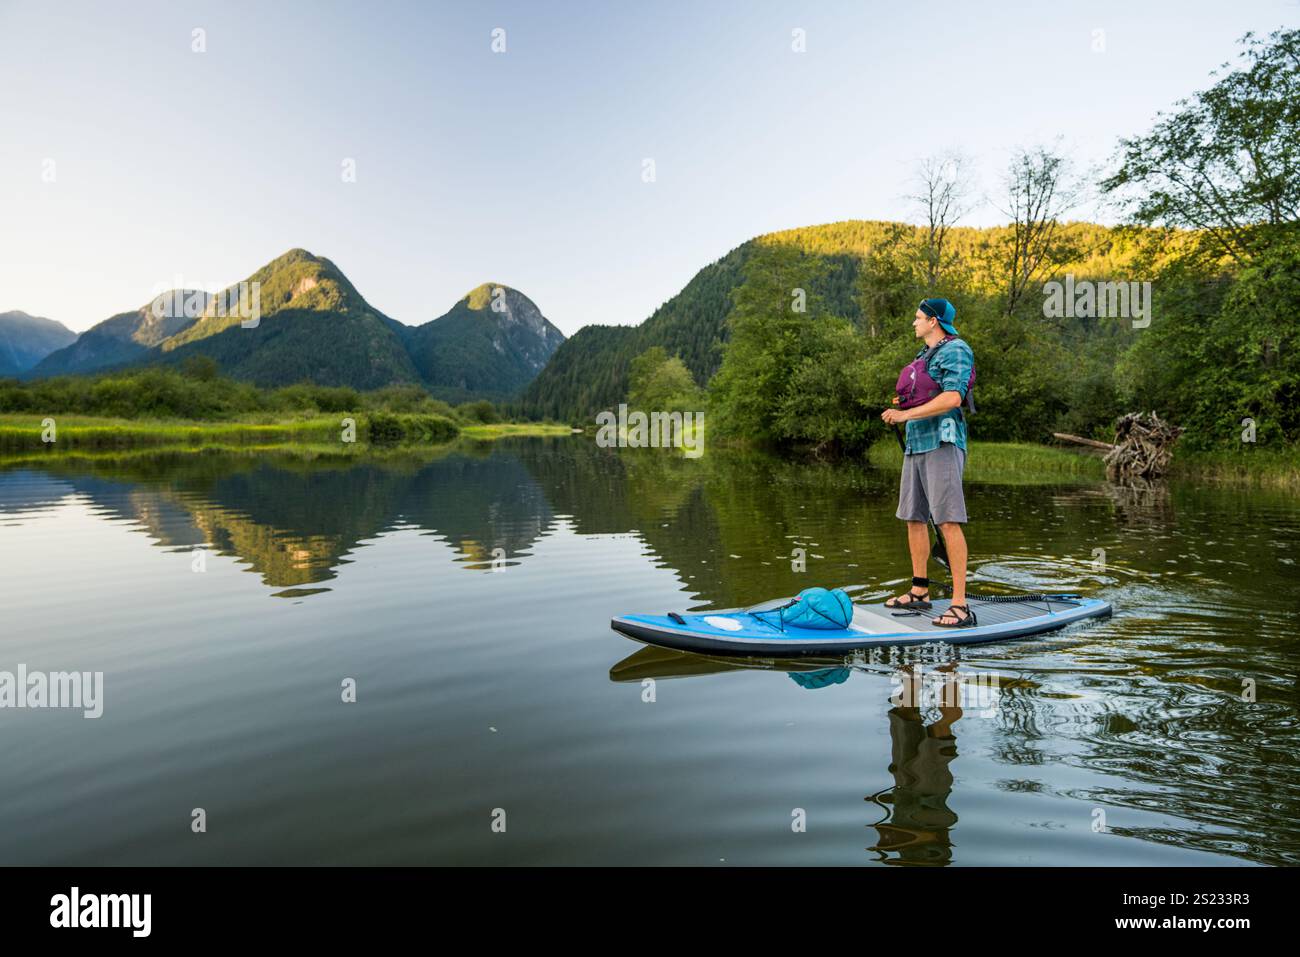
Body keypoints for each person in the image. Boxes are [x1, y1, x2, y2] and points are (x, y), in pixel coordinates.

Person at [880, 298, 976, 627]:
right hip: (916, 444)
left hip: (943, 441)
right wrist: (902, 412)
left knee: (947, 520)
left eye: (918, 317)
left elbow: (953, 397)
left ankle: (960, 605)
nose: (913, 322)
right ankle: (920, 592)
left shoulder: (956, 349)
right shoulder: (924, 355)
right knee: (914, 517)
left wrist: (905, 413)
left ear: (934, 321)